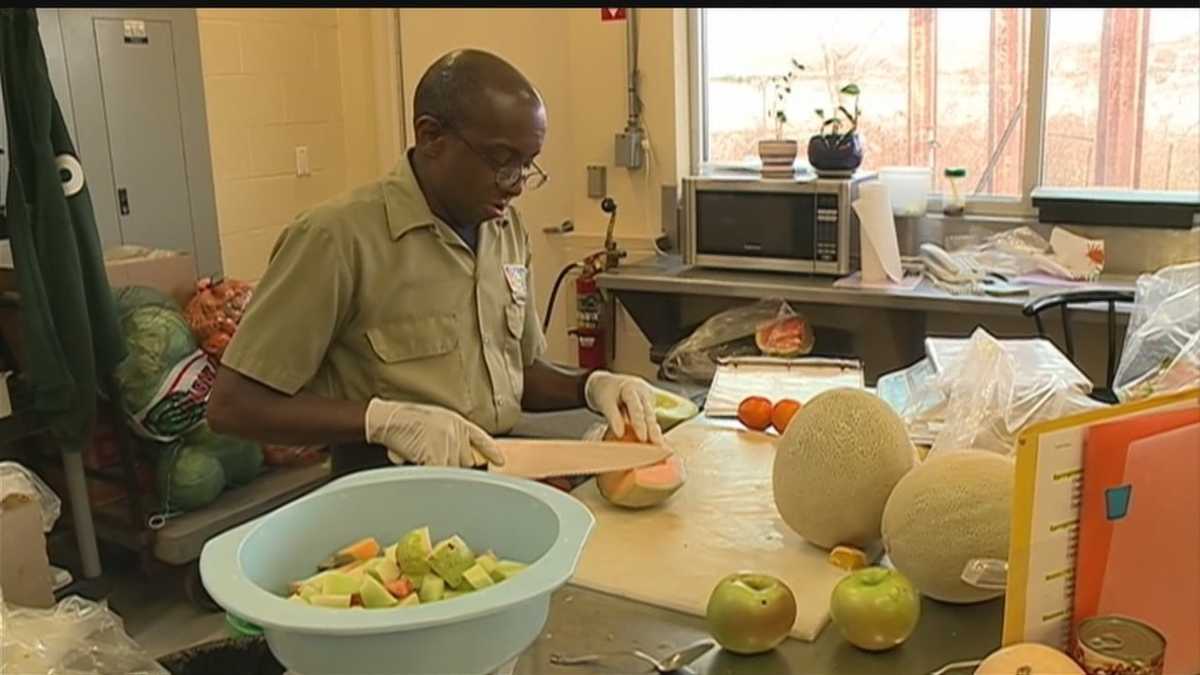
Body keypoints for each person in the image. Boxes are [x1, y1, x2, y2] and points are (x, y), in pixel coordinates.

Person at [206, 49, 664, 474]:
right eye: (502, 160)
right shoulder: (338, 238)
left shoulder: (506, 230)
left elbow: (519, 373)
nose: (517, 183)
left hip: (498, 469)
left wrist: (592, 385)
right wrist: (383, 420)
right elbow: (233, 406)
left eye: (528, 164)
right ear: (431, 137)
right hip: (390, 487)